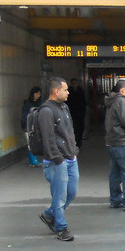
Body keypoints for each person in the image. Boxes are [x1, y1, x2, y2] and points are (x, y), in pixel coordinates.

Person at [37, 77, 79, 242]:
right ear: (56, 91)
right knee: (60, 197)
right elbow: (48, 139)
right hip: (57, 162)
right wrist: (58, 159)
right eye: (65, 90)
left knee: (71, 192)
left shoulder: (64, 107)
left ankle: (49, 214)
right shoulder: (46, 111)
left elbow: (69, 132)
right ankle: (61, 228)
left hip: (70, 158)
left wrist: (74, 151)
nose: (68, 92)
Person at [104, 79, 125, 212]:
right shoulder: (122, 101)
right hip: (122, 141)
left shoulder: (112, 101)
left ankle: (115, 200)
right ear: (122, 90)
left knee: (114, 172)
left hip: (111, 141)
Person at [20, 86, 42, 167]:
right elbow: (25, 115)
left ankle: (33, 160)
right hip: (28, 126)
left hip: (36, 126)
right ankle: (33, 160)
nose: (38, 95)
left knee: (34, 142)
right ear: (32, 94)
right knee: (30, 142)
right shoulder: (27, 103)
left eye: (39, 94)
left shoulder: (39, 103)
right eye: (36, 94)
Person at [67, 77, 87, 149]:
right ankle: (74, 142)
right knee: (74, 128)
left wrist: (84, 110)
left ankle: (79, 141)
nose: (75, 85)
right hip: (72, 112)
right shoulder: (69, 91)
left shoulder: (80, 90)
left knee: (81, 127)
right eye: (73, 84)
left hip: (80, 112)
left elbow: (84, 101)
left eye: (76, 83)